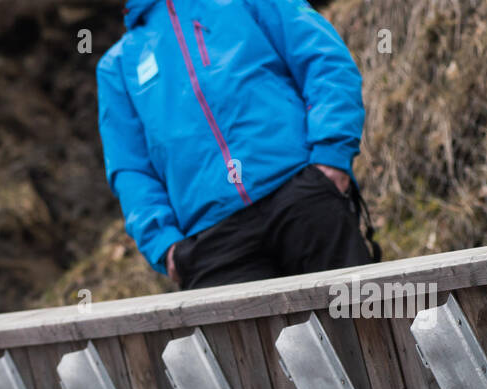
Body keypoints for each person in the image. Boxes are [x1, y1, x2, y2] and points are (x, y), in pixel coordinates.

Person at [97, 0, 377, 290]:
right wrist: (166, 245)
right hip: (211, 242)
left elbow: (324, 61)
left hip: (302, 196)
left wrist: (330, 156)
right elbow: (129, 168)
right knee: (245, 336)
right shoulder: (116, 67)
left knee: (356, 325)